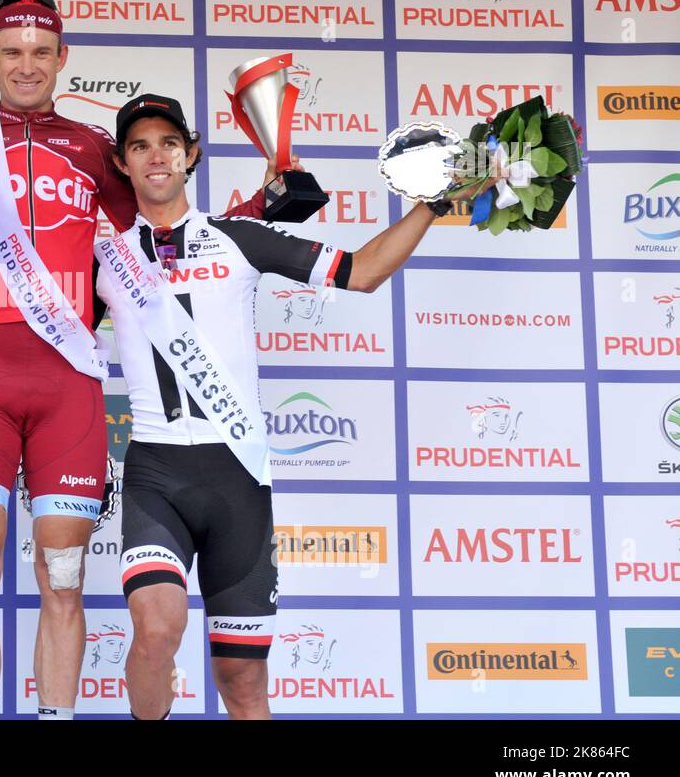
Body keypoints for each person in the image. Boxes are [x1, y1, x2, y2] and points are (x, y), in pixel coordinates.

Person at [0, 0, 268, 720]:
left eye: (41, 53)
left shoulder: (94, 147)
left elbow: (159, 243)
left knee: (63, 575)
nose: (27, 67)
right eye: (13, 53)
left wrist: (259, 213)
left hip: (69, 381)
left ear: (63, 58)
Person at [96, 94, 497, 720]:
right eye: (140, 145)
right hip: (157, 476)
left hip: (239, 481)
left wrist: (434, 204)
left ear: (191, 154)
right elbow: (47, 340)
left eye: (169, 143)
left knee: (243, 683)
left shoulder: (239, 238)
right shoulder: (103, 258)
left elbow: (361, 273)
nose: (156, 155)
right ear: (121, 164)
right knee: (155, 630)